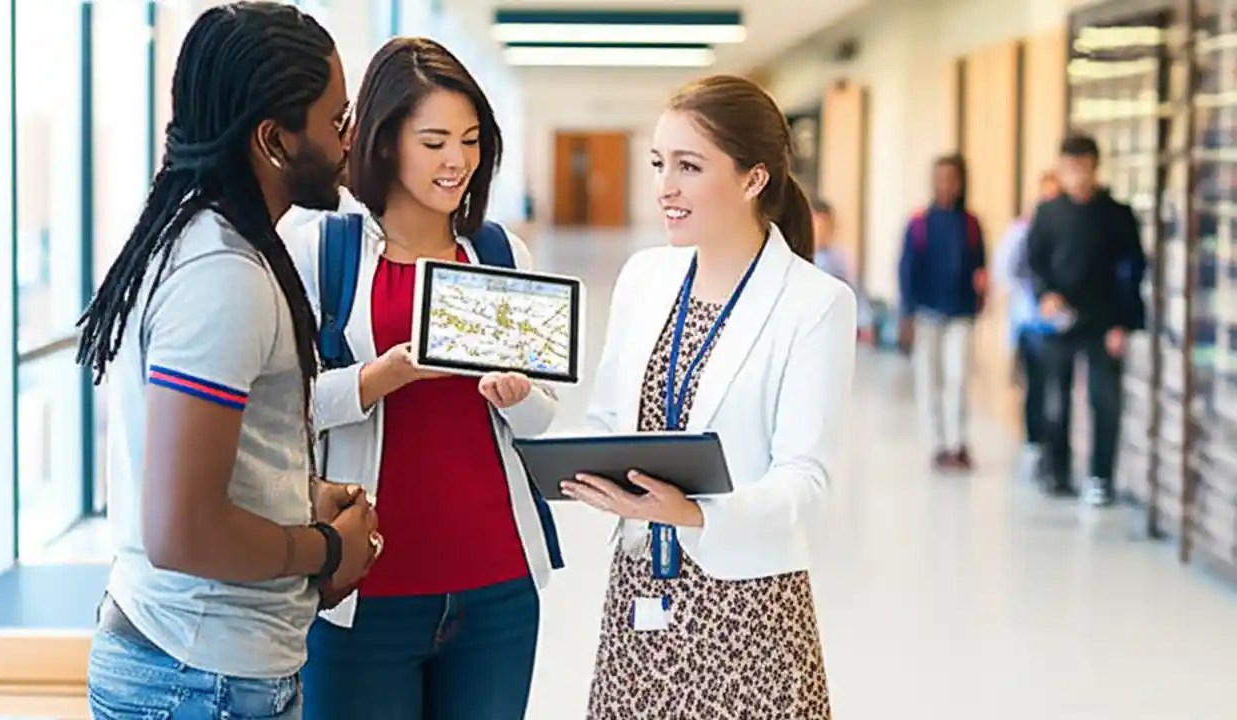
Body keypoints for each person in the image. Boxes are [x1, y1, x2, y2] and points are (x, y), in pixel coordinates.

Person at [75, 4, 380, 718]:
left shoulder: (207, 242)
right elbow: (183, 529)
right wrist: (327, 551)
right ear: (274, 140)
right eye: (336, 121)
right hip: (198, 677)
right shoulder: (223, 276)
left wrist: (298, 492)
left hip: (202, 665)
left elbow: (202, 472)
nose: (350, 141)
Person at [278, 37, 560, 719]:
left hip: (496, 583)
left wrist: (517, 396)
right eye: (434, 141)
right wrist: (380, 378)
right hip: (364, 589)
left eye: (469, 140)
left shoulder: (498, 252)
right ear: (382, 142)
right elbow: (281, 409)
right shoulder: (320, 248)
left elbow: (545, 417)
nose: (456, 161)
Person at [562, 74, 856, 720]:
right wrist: (578, 465)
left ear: (753, 179)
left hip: (748, 606)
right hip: (643, 587)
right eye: (659, 163)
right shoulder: (645, 277)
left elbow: (806, 477)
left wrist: (695, 513)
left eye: (689, 167)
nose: (665, 187)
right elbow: (612, 416)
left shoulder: (815, 304)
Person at [1027, 134, 1146, 505]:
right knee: (1055, 400)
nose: (1076, 174)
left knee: (1104, 401)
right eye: (1069, 167)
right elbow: (1034, 262)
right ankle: (1057, 472)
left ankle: (1101, 477)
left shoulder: (1116, 214)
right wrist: (1045, 294)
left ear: (1095, 167)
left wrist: (1123, 323)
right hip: (1059, 322)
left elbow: (1132, 269)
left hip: (1104, 321)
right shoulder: (1048, 213)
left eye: (1082, 166)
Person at [898, 153, 987, 471]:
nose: (946, 185)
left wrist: (981, 298)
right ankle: (937, 444)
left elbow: (980, 268)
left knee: (958, 378)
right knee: (929, 380)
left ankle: (958, 442)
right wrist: (906, 315)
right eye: (940, 178)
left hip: (961, 313)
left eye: (952, 178)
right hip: (926, 313)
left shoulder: (971, 224)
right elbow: (907, 270)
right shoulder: (919, 224)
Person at [994, 171, 1061, 471]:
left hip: (1061, 323)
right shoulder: (1022, 230)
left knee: (1058, 386)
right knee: (1034, 384)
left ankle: (1055, 446)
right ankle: (1034, 439)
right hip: (1030, 321)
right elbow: (1004, 271)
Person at [812, 198, 874, 342]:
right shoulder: (798, 259)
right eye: (816, 226)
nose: (820, 232)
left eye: (825, 227)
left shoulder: (839, 259)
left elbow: (854, 289)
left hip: (834, 327)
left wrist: (864, 321)